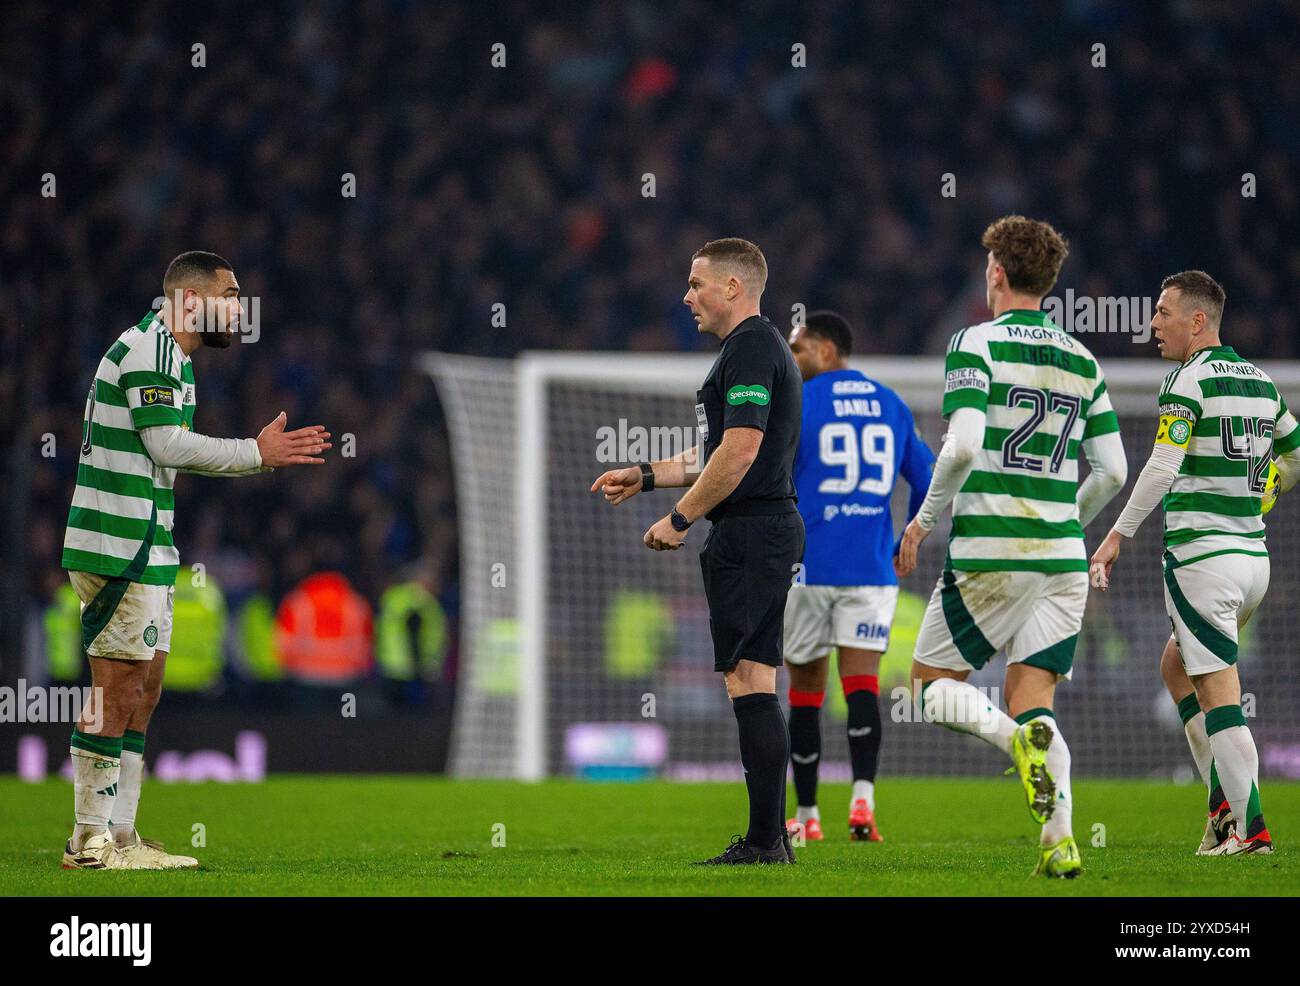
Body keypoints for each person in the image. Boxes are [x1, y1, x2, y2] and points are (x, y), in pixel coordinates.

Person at [61, 251, 332, 870]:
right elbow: (166, 445)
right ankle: (88, 842)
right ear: (190, 301)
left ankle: (121, 833)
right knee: (117, 687)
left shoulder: (175, 359)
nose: (240, 308)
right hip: (117, 542)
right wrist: (255, 452)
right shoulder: (151, 350)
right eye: (230, 295)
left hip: (149, 542)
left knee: (145, 686)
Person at [894, 216, 1128, 878]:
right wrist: (1066, 522)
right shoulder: (1083, 360)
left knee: (931, 686)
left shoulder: (975, 342)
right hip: (1060, 560)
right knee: (1036, 699)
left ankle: (1011, 741)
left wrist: (923, 521)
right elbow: (1112, 471)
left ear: (995, 272)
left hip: (990, 550)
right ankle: (1060, 842)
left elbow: (963, 444)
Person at [591, 238, 804, 864]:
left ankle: (766, 842)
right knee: (754, 678)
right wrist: (648, 474)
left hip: (753, 532)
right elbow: (724, 451)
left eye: (696, 283)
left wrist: (680, 518)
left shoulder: (752, 348)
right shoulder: (755, 350)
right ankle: (772, 840)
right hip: (762, 529)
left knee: (749, 682)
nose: (687, 296)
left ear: (733, 287)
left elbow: (738, 454)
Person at [1090, 270, 1300, 856]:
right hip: (1253, 561)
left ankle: (1250, 830)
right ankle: (1220, 810)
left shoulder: (1188, 379)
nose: (1154, 323)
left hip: (1203, 560)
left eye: (1163, 312)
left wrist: (1115, 537)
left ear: (1197, 321)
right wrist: (1266, 494)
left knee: (1221, 697)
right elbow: (1297, 455)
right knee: (1176, 670)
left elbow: (1160, 467)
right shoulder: (1262, 382)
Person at [783, 311, 934, 843]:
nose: (792, 358)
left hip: (811, 565)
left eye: (798, 349)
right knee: (862, 685)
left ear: (825, 350)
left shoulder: (800, 401)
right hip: (872, 567)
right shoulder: (891, 404)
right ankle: (863, 808)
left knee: (805, 688)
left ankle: (806, 816)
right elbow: (929, 476)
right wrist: (909, 536)